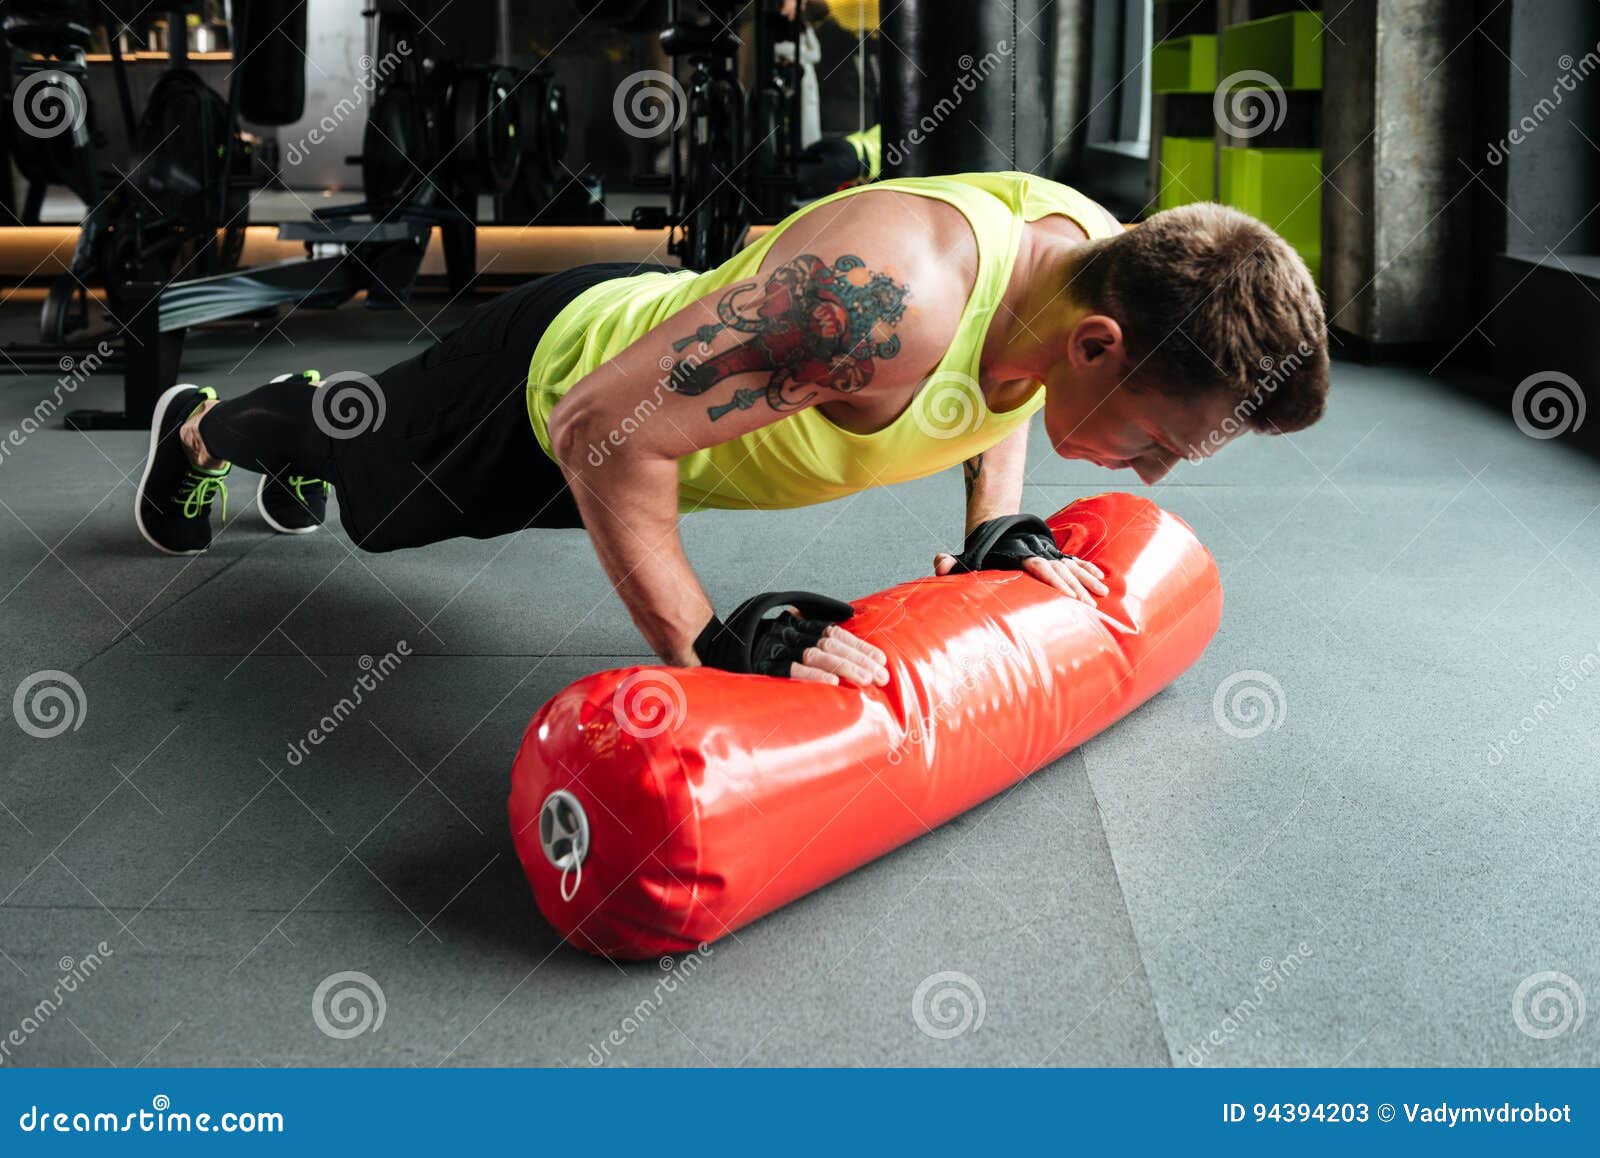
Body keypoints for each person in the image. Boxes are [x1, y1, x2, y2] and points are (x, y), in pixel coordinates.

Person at [133, 171, 1329, 687]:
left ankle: (303, 443)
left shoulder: (1085, 261)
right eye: (1165, 443)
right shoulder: (879, 305)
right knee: (378, 503)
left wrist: (994, 523)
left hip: (665, 440)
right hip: (559, 387)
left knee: (370, 483)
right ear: (1100, 350)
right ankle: (200, 435)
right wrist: (707, 647)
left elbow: (1002, 382)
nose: (1157, 471)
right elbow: (601, 433)